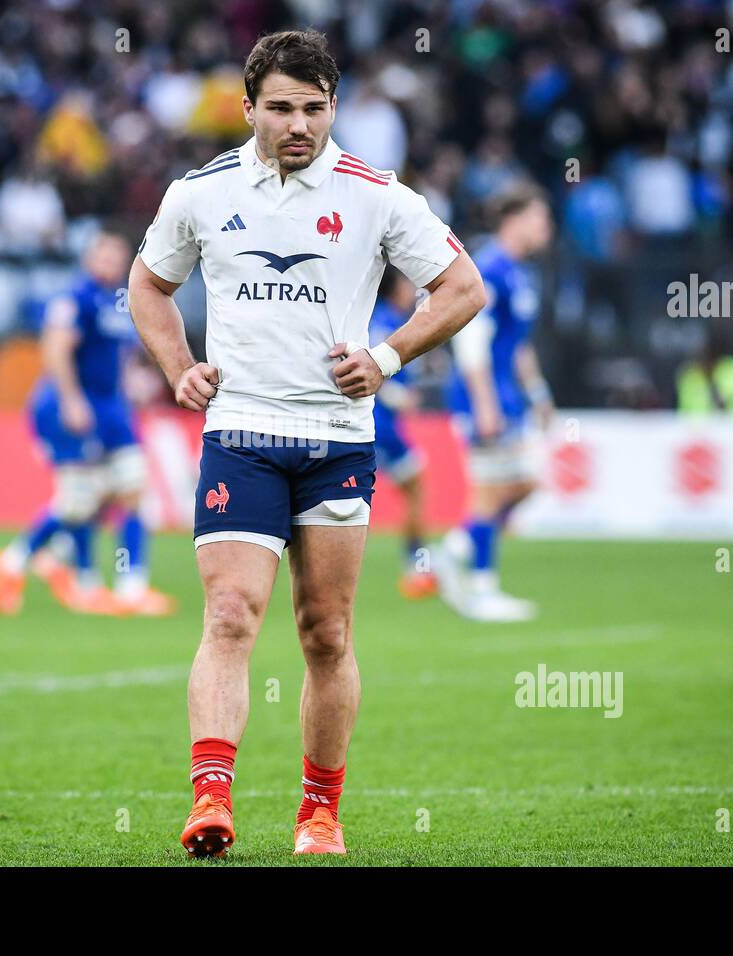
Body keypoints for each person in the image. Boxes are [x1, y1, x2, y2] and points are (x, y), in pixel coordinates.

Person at [127, 29, 486, 858]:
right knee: (228, 615)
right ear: (247, 106)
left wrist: (388, 355)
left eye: (315, 108)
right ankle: (210, 800)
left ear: (335, 108)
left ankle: (319, 813)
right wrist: (179, 365)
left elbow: (462, 287)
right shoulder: (201, 193)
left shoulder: (378, 195)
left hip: (335, 441)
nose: (299, 124)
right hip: (241, 436)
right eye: (281, 107)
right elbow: (147, 284)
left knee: (325, 633)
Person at [0, 232, 175, 618]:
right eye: (102, 255)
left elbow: (117, 357)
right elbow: (56, 348)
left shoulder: (120, 301)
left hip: (111, 409)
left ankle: (130, 586)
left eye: (116, 256)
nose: (108, 263)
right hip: (71, 406)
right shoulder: (74, 298)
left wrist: (131, 388)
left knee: (132, 489)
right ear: (90, 258)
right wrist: (71, 400)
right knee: (79, 500)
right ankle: (29, 565)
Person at [439, 182, 556, 622]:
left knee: (522, 483)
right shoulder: (488, 266)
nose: (547, 228)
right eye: (541, 218)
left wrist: (539, 394)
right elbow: (471, 339)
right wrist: (484, 403)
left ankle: (453, 554)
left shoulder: (519, 272)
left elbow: (518, 343)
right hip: (483, 395)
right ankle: (482, 587)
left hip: (507, 394)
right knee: (493, 491)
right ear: (516, 219)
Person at [369, 267, 438, 599]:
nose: (414, 290)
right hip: (379, 425)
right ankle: (416, 565)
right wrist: (398, 397)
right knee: (414, 487)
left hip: (377, 424)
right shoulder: (385, 321)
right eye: (409, 283)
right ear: (396, 287)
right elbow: (372, 363)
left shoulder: (386, 318)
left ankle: (417, 564)